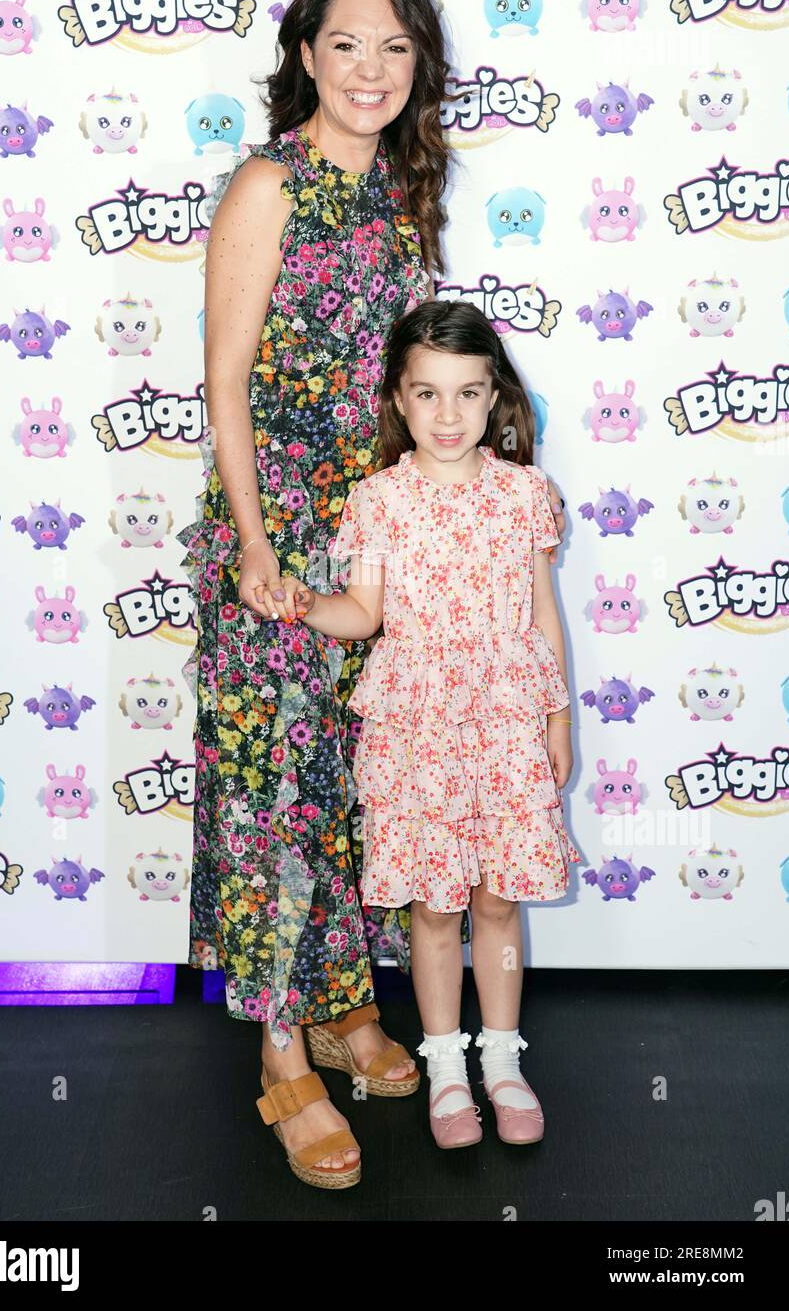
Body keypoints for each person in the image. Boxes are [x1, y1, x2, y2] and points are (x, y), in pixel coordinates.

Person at [178, 0, 566, 1188]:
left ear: (418, 68)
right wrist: (251, 541)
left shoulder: (400, 194)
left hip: (388, 531)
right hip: (280, 527)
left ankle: (347, 1003)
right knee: (272, 787)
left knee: (359, 780)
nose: (369, 70)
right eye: (346, 44)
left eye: (394, 48)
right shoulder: (266, 184)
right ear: (304, 55)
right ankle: (281, 1055)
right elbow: (225, 382)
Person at [263, 299, 580, 1152]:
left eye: (468, 394)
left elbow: (543, 617)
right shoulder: (377, 502)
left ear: (493, 397)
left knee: (500, 899)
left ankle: (503, 1062)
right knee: (435, 909)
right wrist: (304, 606)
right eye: (428, 395)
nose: (449, 415)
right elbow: (363, 613)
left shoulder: (526, 496)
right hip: (418, 730)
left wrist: (559, 720)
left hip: (508, 719)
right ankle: (446, 1067)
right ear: (400, 402)